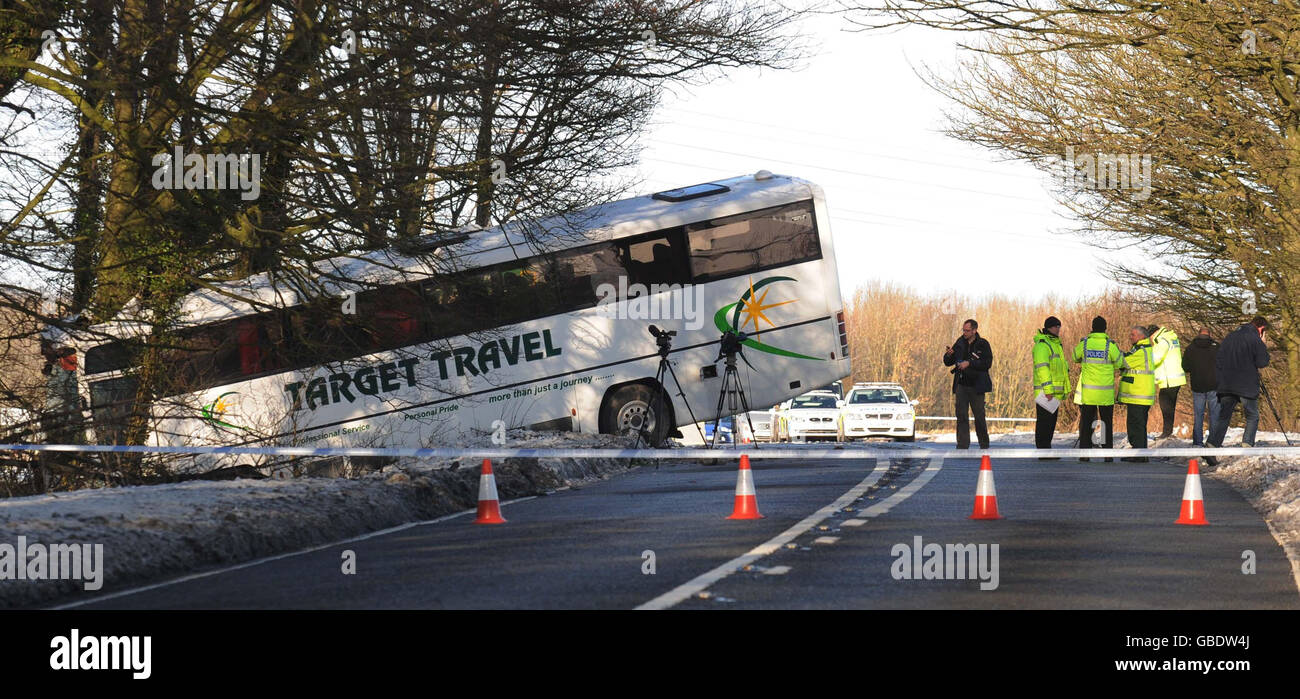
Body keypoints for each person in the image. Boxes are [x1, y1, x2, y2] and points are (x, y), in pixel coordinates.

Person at [1206, 317, 1270, 455]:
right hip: (1246, 385)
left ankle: (1212, 444)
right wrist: (1263, 344)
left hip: (1226, 384)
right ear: (1261, 328)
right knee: (1252, 415)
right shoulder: (1254, 339)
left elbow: (1219, 360)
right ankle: (1247, 444)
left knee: (1224, 416)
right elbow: (1262, 362)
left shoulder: (1231, 336)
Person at [1072, 316, 1123, 461]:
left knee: (1087, 424)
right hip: (1105, 394)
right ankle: (1108, 455)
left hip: (1088, 394)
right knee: (1106, 423)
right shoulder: (1109, 345)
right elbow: (1120, 363)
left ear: (1092, 328)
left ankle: (1084, 455)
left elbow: (1075, 357)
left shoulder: (1085, 344)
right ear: (1105, 328)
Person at [942, 318, 993, 449]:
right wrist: (948, 355)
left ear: (975, 330)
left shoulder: (983, 344)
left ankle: (984, 444)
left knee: (979, 416)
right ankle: (962, 445)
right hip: (961, 384)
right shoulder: (959, 342)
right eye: (963, 330)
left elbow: (987, 363)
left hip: (977, 385)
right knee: (961, 415)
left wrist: (970, 363)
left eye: (967, 330)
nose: (964, 333)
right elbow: (948, 362)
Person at [1031, 316, 1070, 458]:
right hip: (1046, 392)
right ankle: (1043, 450)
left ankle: (1046, 449)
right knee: (1044, 423)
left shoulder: (1055, 344)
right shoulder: (1043, 345)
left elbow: (1061, 367)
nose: (1058, 329)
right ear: (1048, 327)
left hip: (1054, 393)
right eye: (1055, 326)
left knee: (1050, 423)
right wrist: (1048, 390)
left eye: (1059, 326)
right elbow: (1043, 369)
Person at [1119, 326, 1157, 462]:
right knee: (1135, 425)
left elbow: (1124, 362)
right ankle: (1139, 453)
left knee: (1137, 426)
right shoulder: (1139, 349)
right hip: (1137, 395)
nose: (1130, 337)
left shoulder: (1142, 351)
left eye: (1133, 335)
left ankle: (1140, 455)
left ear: (1142, 336)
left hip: (1139, 395)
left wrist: (1115, 352)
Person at [1147, 324, 1187, 439]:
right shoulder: (1170, 337)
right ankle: (1167, 432)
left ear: (1153, 333)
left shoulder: (1162, 340)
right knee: (1169, 406)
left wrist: (1142, 363)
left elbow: (1155, 358)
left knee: (1165, 406)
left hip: (1169, 379)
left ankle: (1166, 432)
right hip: (1175, 378)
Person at [1181, 328, 1220, 446]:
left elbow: (1185, 367)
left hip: (1197, 385)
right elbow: (1223, 364)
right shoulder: (1217, 347)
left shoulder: (1190, 348)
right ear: (1210, 334)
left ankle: (1197, 441)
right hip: (1214, 385)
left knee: (1198, 415)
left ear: (1198, 335)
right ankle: (1213, 441)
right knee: (1215, 414)